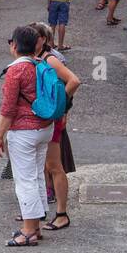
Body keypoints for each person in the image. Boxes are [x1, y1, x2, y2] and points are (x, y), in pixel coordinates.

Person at [0, 27, 55, 247]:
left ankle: (29, 230)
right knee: (37, 175)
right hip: (44, 128)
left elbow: (8, 108)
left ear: (14, 45)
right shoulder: (41, 64)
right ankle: (36, 225)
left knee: (25, 180)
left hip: (24, 131)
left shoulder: (16, 70)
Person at [29, 25, 81, 234]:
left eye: (34, 38)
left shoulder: (49, 59)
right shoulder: (35, 58)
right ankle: (37, 211)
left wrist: (58, 106)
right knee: (41, 165)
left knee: (53, 166)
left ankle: (61, 214)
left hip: (51, 119)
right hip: (42, 119)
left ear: (43, 39)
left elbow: (74, 81)